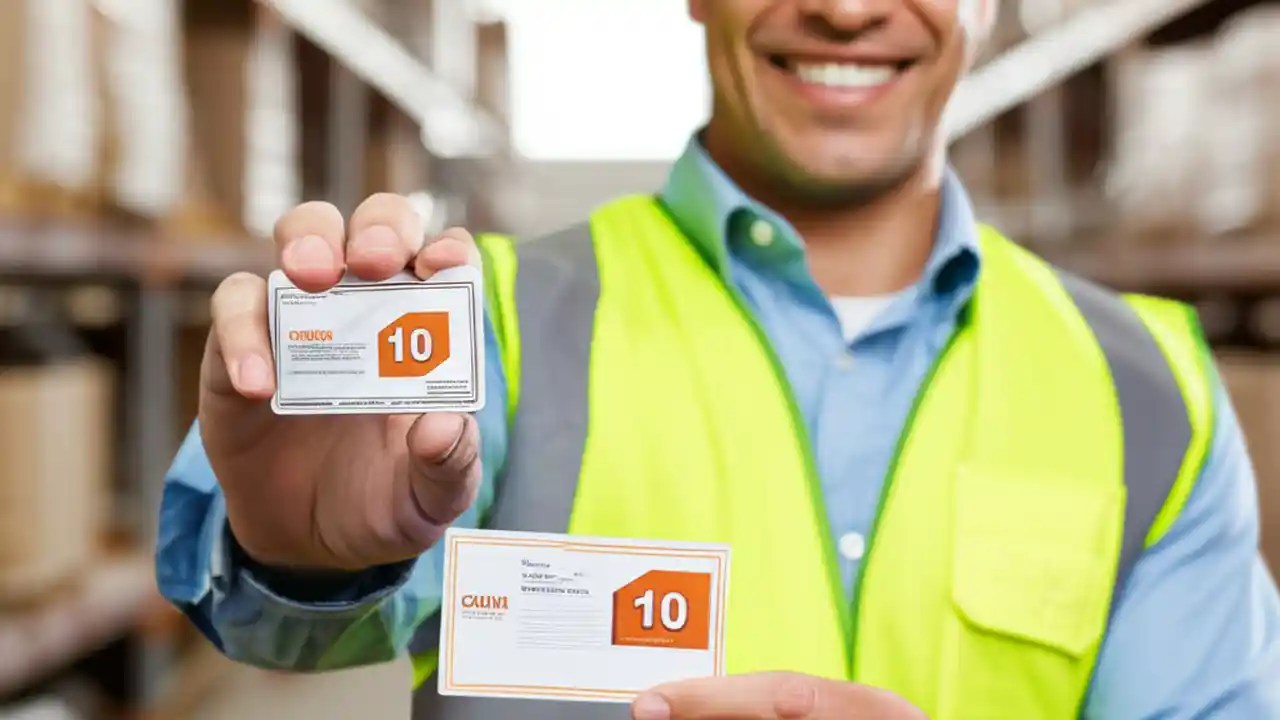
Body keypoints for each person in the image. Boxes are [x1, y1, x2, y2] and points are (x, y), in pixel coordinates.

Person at [156, 0, 1280, 718]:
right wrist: (300, 559)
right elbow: (291, 616)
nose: (845, 10)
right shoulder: (482, 321)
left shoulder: (1149, 392)